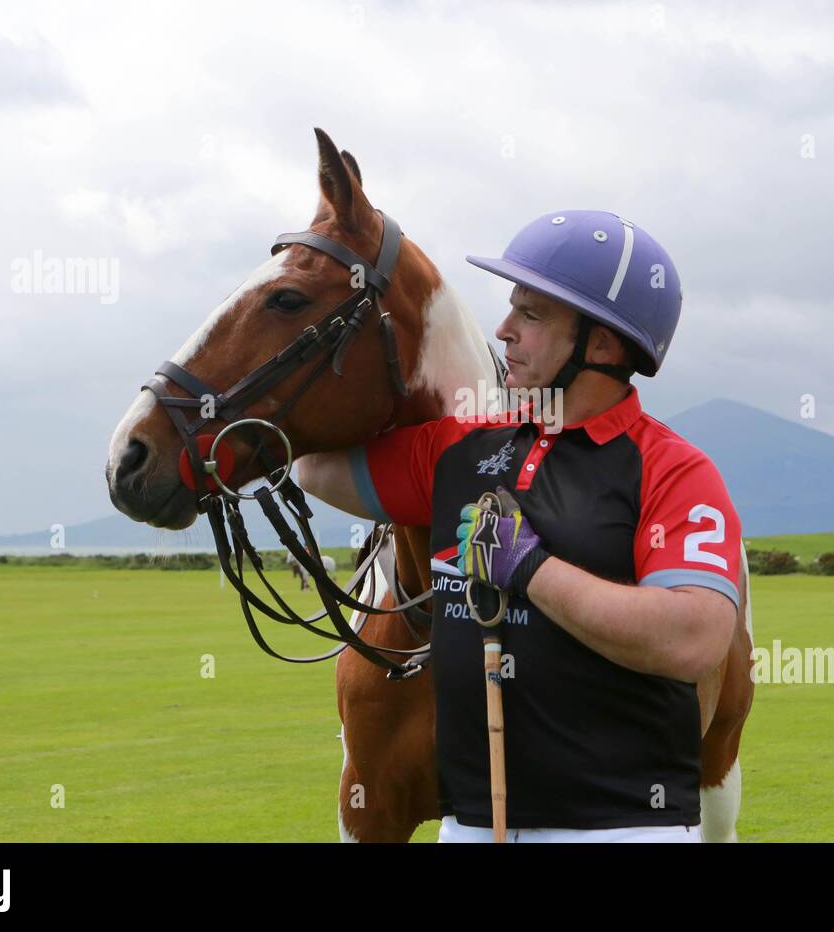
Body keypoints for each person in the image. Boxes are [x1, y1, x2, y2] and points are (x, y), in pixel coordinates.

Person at [297, 210, 743, 842]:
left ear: (603, 345)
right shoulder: (458, 449)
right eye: (511, 309)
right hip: (474, 824)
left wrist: (532, 569)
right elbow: (316, 467)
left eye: (531, 315)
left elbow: (694, 639)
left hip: (619, 828)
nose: (503, 331)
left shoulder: (675, 471)